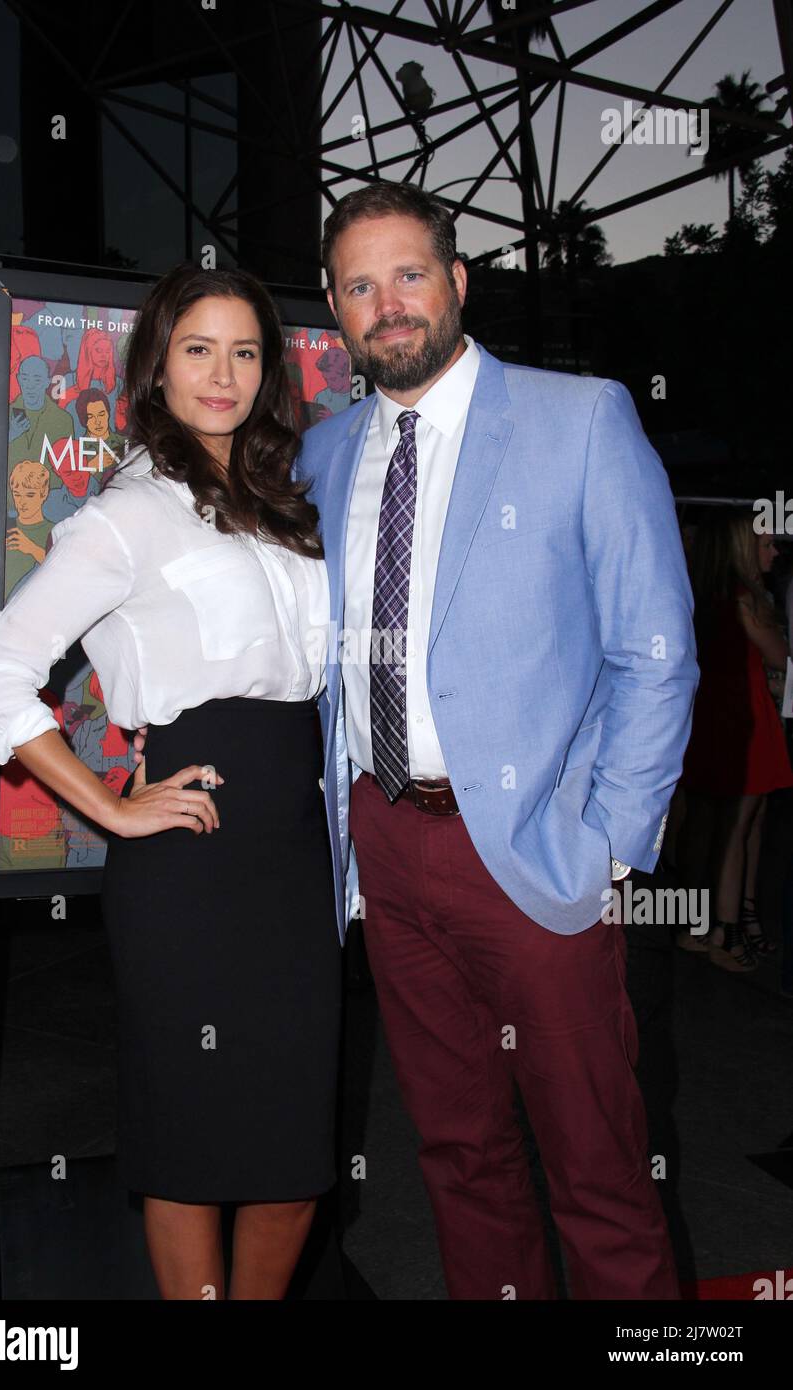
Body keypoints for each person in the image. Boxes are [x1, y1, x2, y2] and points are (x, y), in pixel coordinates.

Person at [298, 182, 699, 1299]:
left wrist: (605, 842)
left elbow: (655, 652)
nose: (387, 305)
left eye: (408, 274)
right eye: (359, 286)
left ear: (457, 282)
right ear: (334, 312)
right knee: (458, 1158)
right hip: (386, 846)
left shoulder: (579, 420)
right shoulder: (323, 458)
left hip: (534, 852)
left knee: (598, 1170)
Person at [0, 265, 342, 1300]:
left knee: (293, 1159)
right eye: (198, 349)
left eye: (246, 351)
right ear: (157, 368)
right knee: (192, 1143)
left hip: (296, 863)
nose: (223, 374)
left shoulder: (288, 504)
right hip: (188, 863)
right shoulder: (127, 514)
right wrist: (111, 805)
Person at [678, 509, 793, 970]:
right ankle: (723, 932)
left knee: (716, 826)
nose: (776, 551)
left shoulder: (709, 595)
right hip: (740, 723)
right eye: (766, 544)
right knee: (733, 829)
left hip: (715, 718)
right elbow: (780, 656)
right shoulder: (743, 600)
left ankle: (704, 925)